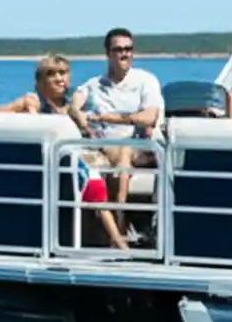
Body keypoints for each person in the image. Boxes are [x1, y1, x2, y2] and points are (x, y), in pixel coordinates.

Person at [0, 53, 129, 250]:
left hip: (87, 155)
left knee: (119, 164)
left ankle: (115, 231)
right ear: (40, 80)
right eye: (51, 74)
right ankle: (118, 239)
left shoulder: (73, 103)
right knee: (94, 180)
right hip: (59, 163)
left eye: (63, 73)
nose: (59, 78)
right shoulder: (34, 102)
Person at [68, 28, 164, 221]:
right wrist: (79, 116)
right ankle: (106, 230)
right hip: (105, 148)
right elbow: (74, 104)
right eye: (118, 49)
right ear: (108, 54)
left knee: (125, 151)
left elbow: (149, 116)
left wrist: (108, 118)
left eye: (128, 49)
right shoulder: (95, 85)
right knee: (101, 159)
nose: (124, 54)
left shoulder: (145, 80)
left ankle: (119, 219)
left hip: (140, 147)